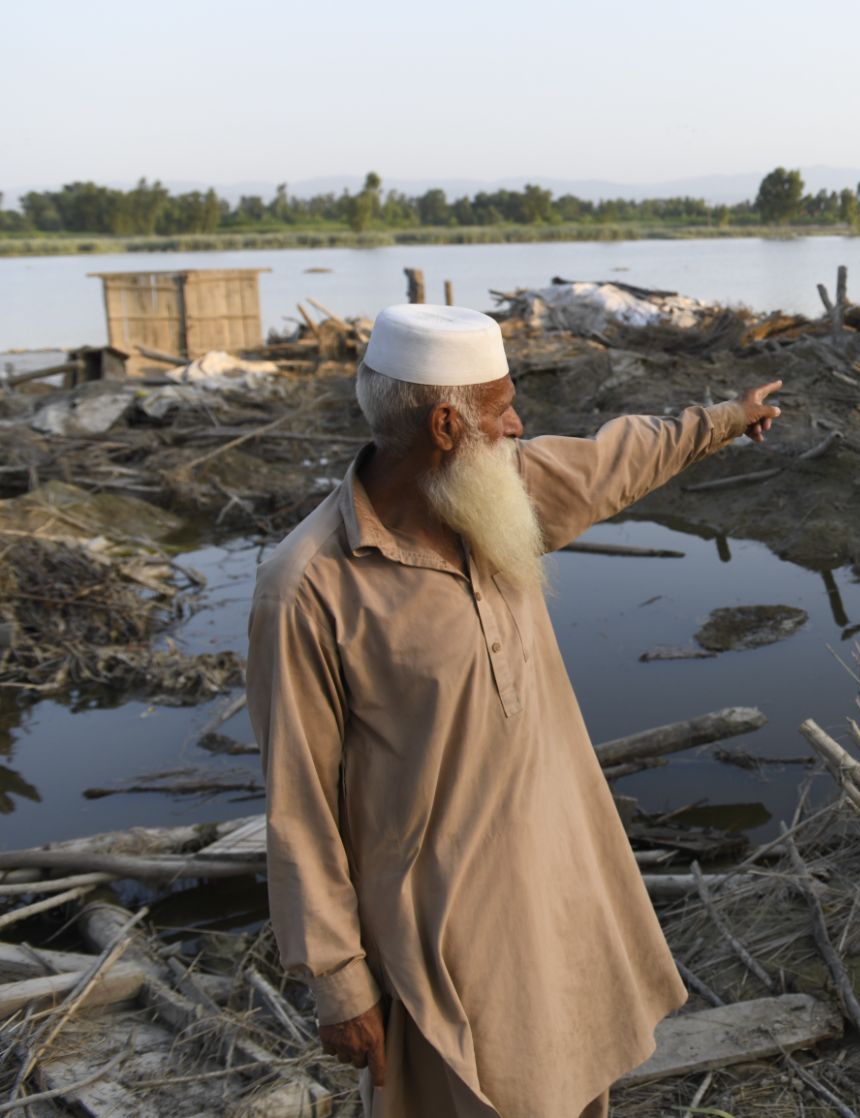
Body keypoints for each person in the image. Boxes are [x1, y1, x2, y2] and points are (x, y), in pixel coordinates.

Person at [247, 303, 781, 1117]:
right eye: (502, 409)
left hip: (562, 880)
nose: (518, 424)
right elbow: (300, 806)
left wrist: (723, 419)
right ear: (446, 424)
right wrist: (337, 981)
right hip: (444, 934)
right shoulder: (309, 585)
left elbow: (615, 459)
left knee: (579, 1082)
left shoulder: (499, 495)